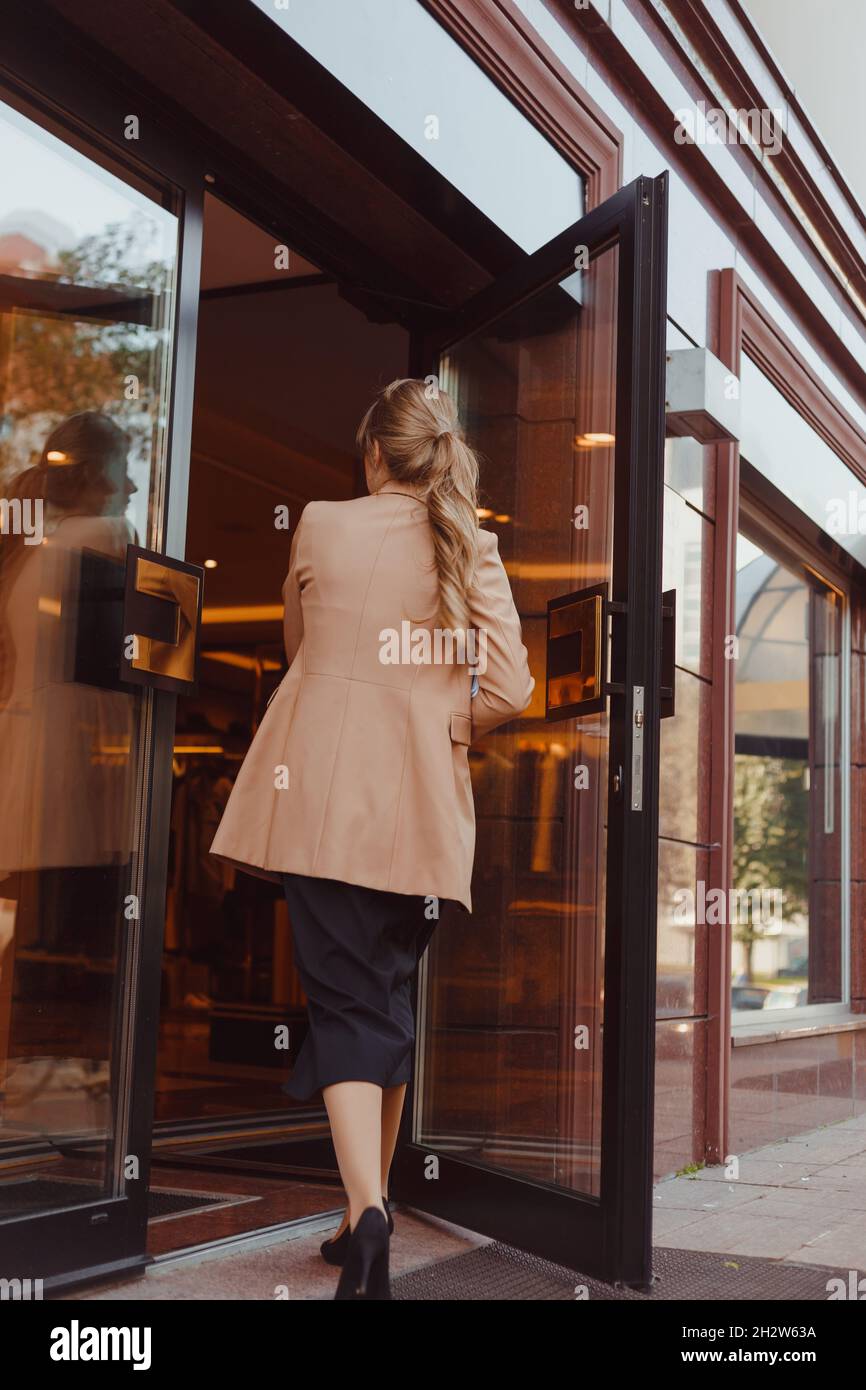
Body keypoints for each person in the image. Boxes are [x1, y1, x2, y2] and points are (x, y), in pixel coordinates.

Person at [210, 378, 534, 1298]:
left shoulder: (320, 522)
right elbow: (511, 689)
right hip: (422, 819)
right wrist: (435, 726)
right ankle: (362, 1213)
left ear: (373, 455)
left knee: (347, 1010)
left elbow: (297, 642)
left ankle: (373, 1219)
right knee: (385, 1009)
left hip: (323, 805)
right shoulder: (472, 542)